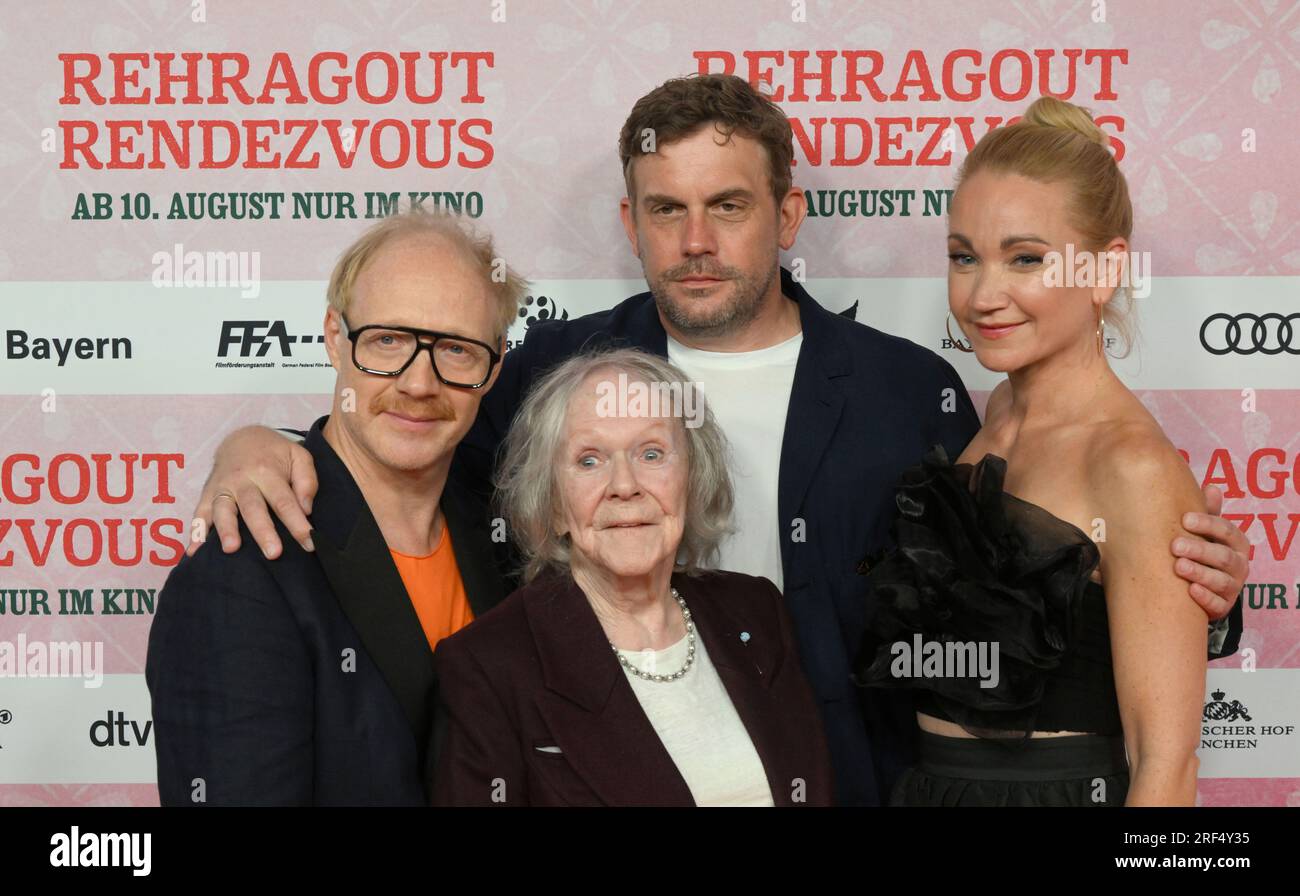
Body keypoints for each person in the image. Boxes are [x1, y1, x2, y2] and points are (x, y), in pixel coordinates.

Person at [180, 74, 1249, 806]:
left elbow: (1024, 572)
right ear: (628, 216)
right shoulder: (550, 368)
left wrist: (1203, 584)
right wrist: (272, 441)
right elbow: (411, 439)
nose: (694, 242)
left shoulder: (907, 389)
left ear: (787, 215)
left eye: (729, 205)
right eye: (664, 208)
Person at [855, 96, 1211, 806]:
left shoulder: (1132, 465)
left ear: (1104, 271)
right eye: (964, 257)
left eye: (1026, 259)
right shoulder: (988, 421)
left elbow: (1166, 768)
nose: (985, 293)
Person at [146, 211, 524, 805]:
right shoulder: (245, 571)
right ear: (333, 336)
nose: (419, 383)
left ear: (495, 364)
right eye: (388, 341)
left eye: (455, 348)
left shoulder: (506, 539)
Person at [432, 348, 834, 806]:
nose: (625, 485)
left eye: (651, 452)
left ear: (692, 477)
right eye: (589, 460)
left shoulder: (756, 610)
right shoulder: (488, 664)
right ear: (554, 501)